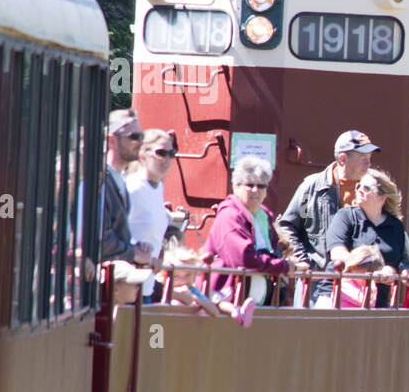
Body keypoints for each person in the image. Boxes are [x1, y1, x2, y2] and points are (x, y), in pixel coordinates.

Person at [205, 156, 305, 308]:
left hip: (258, 301)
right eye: (250, 185)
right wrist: (285, 267)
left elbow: (272, 252)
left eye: (261, 186)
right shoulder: (230, 216)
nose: (255, 191)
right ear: (236, 186)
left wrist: (289, 262)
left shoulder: (263, 216)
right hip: (227, 300)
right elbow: (244, 259)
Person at [277, 130, 380, 271]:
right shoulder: (313, 188)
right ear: (342, 158)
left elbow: (391, 226)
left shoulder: (373, 188)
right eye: (363, 157)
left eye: (370, 157)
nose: (368, 163)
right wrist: (304, 262)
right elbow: (289, 227)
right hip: (318, 277)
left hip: (359, 278)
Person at [319, 169, 409, 309]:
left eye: (367, 188)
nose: (359, 190)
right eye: (358, 186)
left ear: (382, 197)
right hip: (339, 295)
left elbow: (397, 261)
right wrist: (375, 270)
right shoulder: (345, 216)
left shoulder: (396, 226)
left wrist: (393, 271)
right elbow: (337, 253)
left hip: (377, 301)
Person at [126, 129, 178, 298]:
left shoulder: (158, 188)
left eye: (172, 153)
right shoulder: (131, 188)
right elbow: (112, 234)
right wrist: (140, 254)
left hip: (146, 286)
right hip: (124, 287)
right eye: (161, 153)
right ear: (142, 155)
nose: (167, 159)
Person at [101, 109, 152, 265]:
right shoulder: (103, 181)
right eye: (134, 137)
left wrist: (135, 247)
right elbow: (102, 237)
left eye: (141, 137)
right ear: (112, 140)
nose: (140, 143)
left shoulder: (120, 180)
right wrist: (133, 253)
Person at [162, 245, 255, 326]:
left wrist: (195, 298)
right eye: (176, 277)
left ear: (194, 275)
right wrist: (181, 296)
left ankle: (238, 313)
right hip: (171, 325)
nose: (183, 280)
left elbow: (214, 312)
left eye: (188, 275)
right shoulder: (165, 289)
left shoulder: (192, 290)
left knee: (216, 301)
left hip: (188, 327)